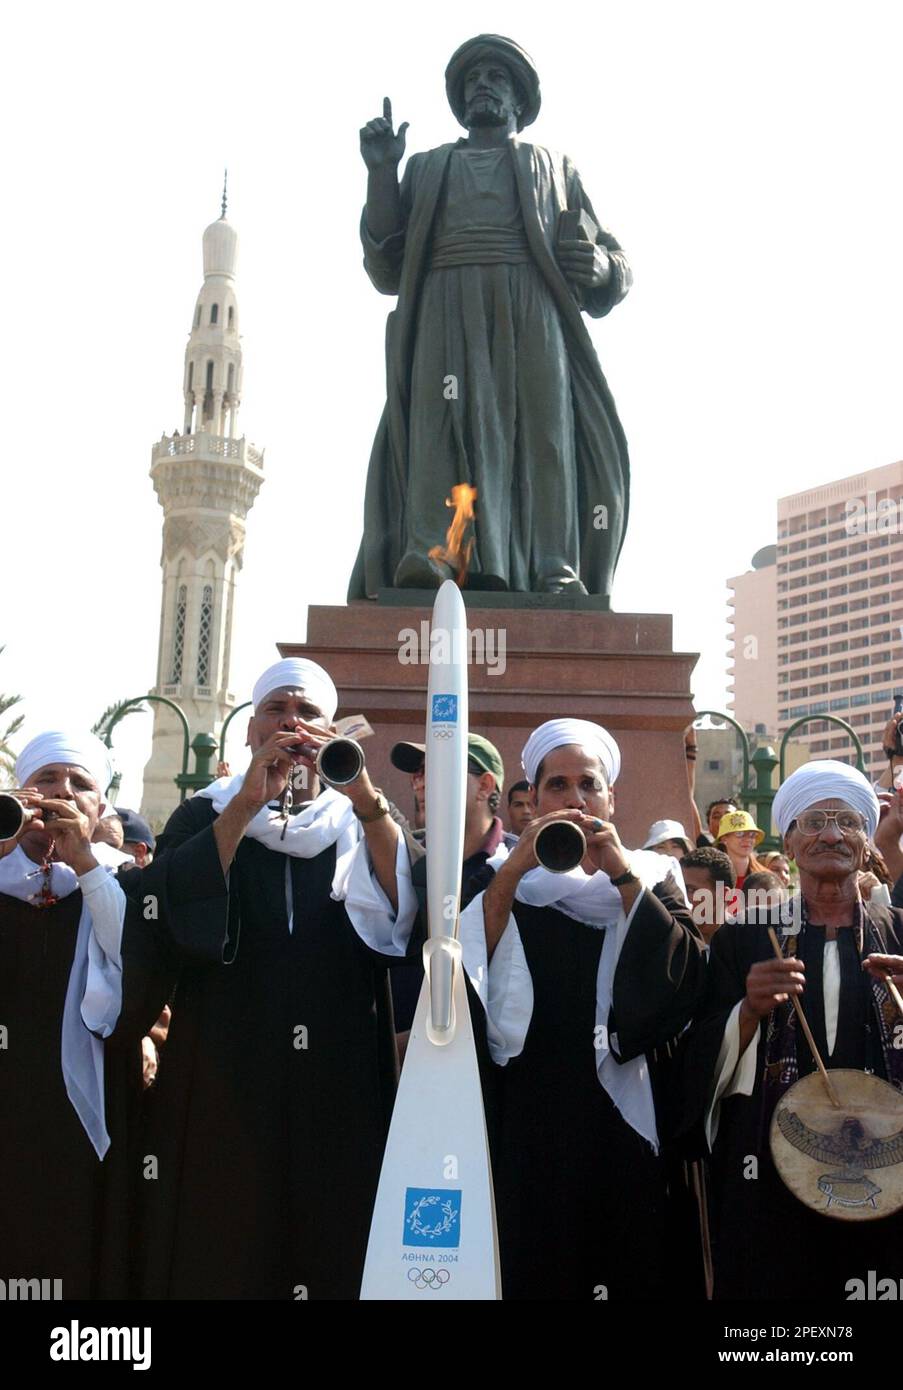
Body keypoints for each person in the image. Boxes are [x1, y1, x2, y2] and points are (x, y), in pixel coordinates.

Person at [136, 658, 420, 1299]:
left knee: (336, 1238)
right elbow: (163, 904)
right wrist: (245, 803)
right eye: (277, 711)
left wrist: (366, 798)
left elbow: (412, 907)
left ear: (331, 730)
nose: (292, 724)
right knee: (227, 1241)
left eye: (309, 714)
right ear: (250, 729)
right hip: (227, 1070)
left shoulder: (359, 818)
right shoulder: (205, 812)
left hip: (339, 1072)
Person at [349, 34, 631, 598]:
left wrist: (599, 266)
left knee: (544, 437)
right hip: (443, 305)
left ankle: (555, 564)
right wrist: (382, 172)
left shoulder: (552, 166)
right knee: (438, 429)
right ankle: (434, 554)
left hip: (532, 308)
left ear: (519, 101)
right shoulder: (429, 167)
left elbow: (614, 262)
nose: (484, 86)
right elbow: (386, 265)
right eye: (474, 79)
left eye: (497, 79)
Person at [457, 718, 705, 1298]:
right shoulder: (499, 878)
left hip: (624, 1100)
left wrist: (620, 872)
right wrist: (515, 872)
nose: (574, 800)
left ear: (611, 796)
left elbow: (686, 975)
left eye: (588, 785)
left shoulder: (652, 873)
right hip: (531, 1105)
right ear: (532, 799)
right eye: (558, 786)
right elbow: (464, 975)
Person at [679, 759, 903, 1299]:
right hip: (771, 1177)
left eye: (846, 821)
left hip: (889, 1170)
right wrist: (747, 1013)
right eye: (813, 821)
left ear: (866, 839)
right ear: (791, 840)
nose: (830, 834)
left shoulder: (899, 934)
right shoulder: (743, 940)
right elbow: (697, 1055)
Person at [0, 731, 172, 1298]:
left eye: (80, 784)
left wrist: (85, 864)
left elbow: (139, 972)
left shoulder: (124, 881)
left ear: (101, 808)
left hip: (90, 1101)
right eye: (46, 779)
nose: (61, 793)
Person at [386, 733, 516, 1035]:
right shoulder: (399, 855)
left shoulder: (519, 865)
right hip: (391, 1067)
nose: (420, 781)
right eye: (417, 773)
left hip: (483, 1064)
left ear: (484, 786)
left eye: (435, 767)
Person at [679, 846, 736, 947]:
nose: (681, 896)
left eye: (691, 890)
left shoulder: (745, 944)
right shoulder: (671, 941)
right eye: (679, 887)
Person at [716, 808, 766, 888]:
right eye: (740, 833)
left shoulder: (765, 879)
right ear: (724, 839)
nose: (747, 839)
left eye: (752, 834)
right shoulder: (712, 878)